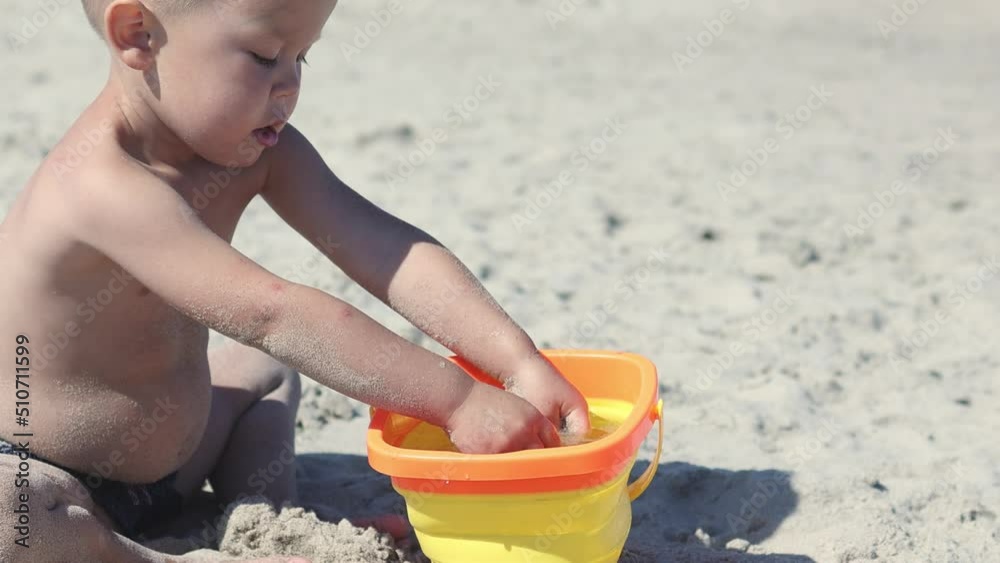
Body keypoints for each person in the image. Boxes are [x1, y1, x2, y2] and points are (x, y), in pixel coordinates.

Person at [0, 1, 590, 561]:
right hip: (44, 472)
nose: (289, 87)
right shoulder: (99, 185)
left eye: (301, 57)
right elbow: (272, 315)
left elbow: (387, 249)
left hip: (173, 468)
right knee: (15, 518)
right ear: (138, 35)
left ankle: (267, 521)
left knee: (266, 375)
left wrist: (517, 361)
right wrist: (461, 403)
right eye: (263, 56)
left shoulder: (253, 152)